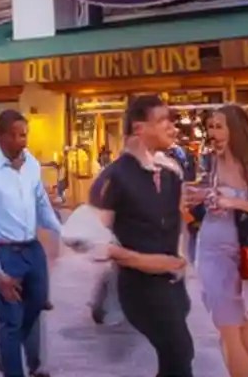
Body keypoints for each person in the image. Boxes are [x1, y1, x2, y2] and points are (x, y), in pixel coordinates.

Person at [89, 95, 193, 377]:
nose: (171, 127)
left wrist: (179, 258)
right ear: (139, 129)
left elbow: (177, 219)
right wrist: (143, 260)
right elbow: (93, 241)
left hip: (173, 284)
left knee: (177, 357)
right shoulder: (114, 177)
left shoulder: (171, 171)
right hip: (140, 287)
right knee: (180, 352)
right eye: (162, 121)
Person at [189, 103, 248, 377]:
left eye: (219, 126)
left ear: (237, 130)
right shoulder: (211, 162)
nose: (213, 133)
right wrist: (200, 196)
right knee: (230, 333)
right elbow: (209, 198)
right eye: (210, 127)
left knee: (246, 334)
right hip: (212, 253)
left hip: (246, 255)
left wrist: (236, 203)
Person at [0, 109, 61, 377]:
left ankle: (2, 351)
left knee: (38, 303)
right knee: (11, 321)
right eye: (16, 136)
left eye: (25, 135)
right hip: (3, 253)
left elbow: (41, 203)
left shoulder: (31, 164)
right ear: (1, 137)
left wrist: (61, 231)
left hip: (32, 249)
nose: (23, 141)